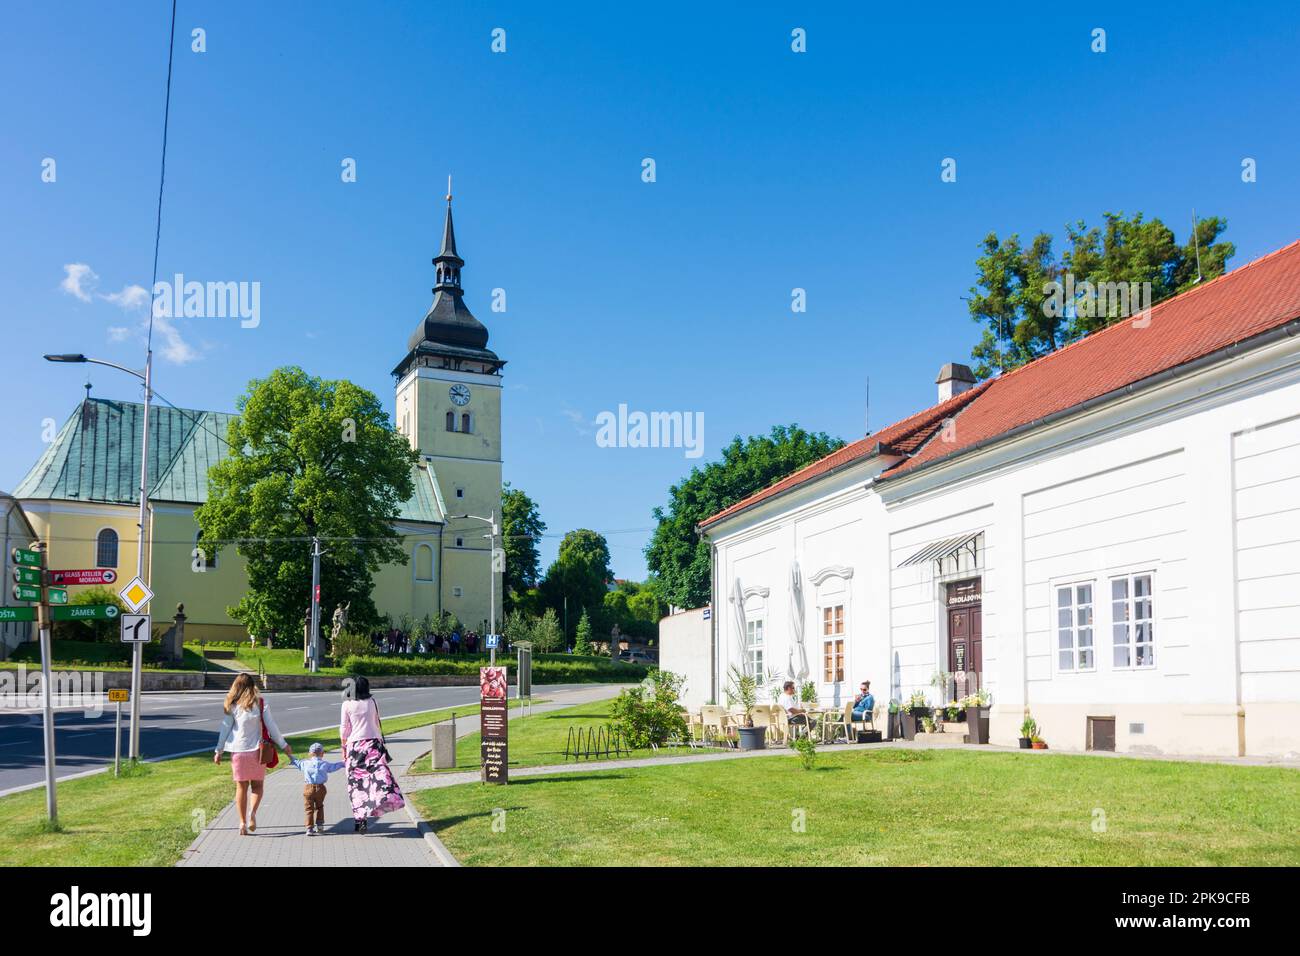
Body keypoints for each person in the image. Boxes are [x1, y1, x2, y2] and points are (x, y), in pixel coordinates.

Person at [213, 673, 292, 836]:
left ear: (236, 686)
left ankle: (241, 822)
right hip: (258, 751)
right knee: (257, 786)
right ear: (252, 686)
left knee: (241, 787)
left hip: (238, 752)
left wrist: (218, 750)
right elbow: (272, 727)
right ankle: (252, 813)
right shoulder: (261, 703)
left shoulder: (232, 705)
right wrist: (284, 745)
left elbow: (225, 728)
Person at [339, 676, 406, 832]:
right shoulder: (373, 702)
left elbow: (344, 729)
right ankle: (383, 802)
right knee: (379, 778)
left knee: (356, 785)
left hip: (355, 747)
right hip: (374, 745)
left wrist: (343, 748)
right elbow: (376, 722)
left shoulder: (347, 705)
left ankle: (360, 820)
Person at [290, 742, 346, 836]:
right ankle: (320, 827)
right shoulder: (325, 764)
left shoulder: (305, 763)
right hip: (321, 788)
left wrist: (290, 756)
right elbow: (334, 766)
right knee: (320, 806)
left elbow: (297, 762)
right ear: (322, 754)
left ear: (309, 753)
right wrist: (343, 763)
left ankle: (309, 828)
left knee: (309, 808)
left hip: (308, 788)